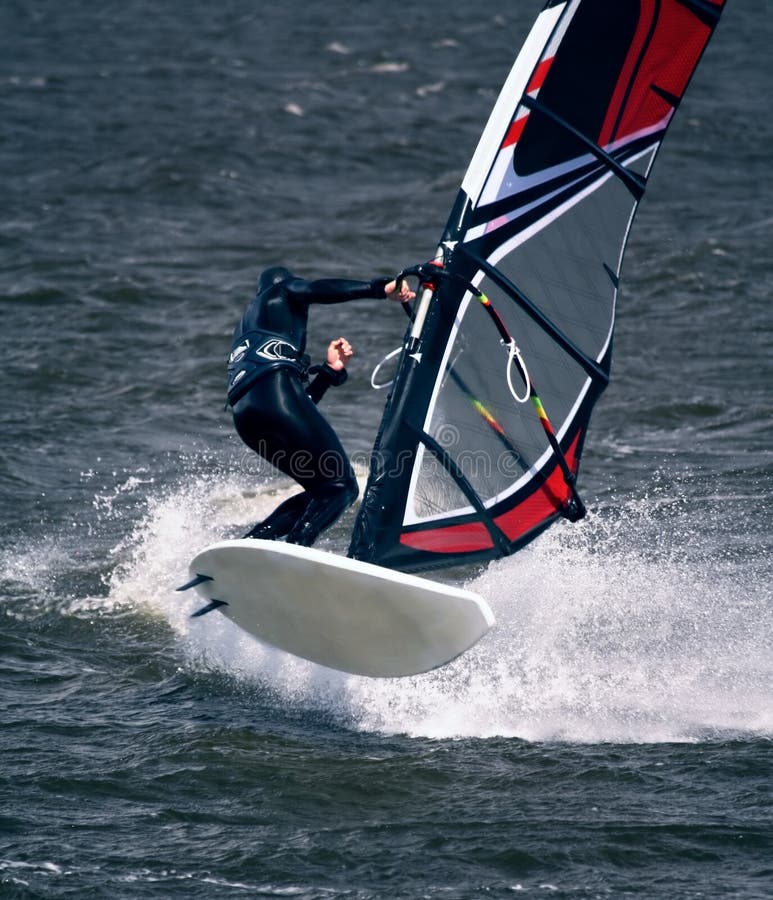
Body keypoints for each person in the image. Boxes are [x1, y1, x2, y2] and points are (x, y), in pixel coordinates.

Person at [227, 266, 414, 547]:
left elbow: (298, 405)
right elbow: (315, 289)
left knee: (323, 491)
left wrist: (328, 371)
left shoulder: (248, 334)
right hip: (276, 398)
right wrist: (378, 289)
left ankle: (252, 545)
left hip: (246, 417)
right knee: (342, 487)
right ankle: (295, 548)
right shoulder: (279, 291)